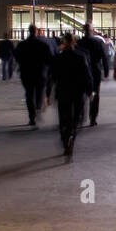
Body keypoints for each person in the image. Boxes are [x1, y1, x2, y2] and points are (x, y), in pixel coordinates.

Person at [50, 32, 93, 161]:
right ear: (74, 42)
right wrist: (90, 90)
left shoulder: (58, 58)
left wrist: (48, 93)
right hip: (77, 92)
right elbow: (87, 75)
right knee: (75, 118)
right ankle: (72, 135)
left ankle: (65, 139)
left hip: (63, 91)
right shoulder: (80, 57)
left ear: (63, 42)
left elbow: (52, 77)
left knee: (64, 117)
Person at [13, 24, 54, 127]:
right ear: (36, 32)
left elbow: (17, 57)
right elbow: (49, 59)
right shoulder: (43, 44)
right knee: (39, 93)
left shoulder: (22, 44)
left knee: (29, 94)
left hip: (26, 73)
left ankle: (32, 116)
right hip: (40, 72)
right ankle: (38, 109)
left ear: (28, 31)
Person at [76, 24, 109, 126]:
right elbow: (104, 57)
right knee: (95, 93)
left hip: (81, 72)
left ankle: (81, 116)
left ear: (83, 31)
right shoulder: (98, 42)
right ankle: (93, 117)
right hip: (95, 71)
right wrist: (106, 70)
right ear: (92, 31)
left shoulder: (79, 43)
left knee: (81, 94)